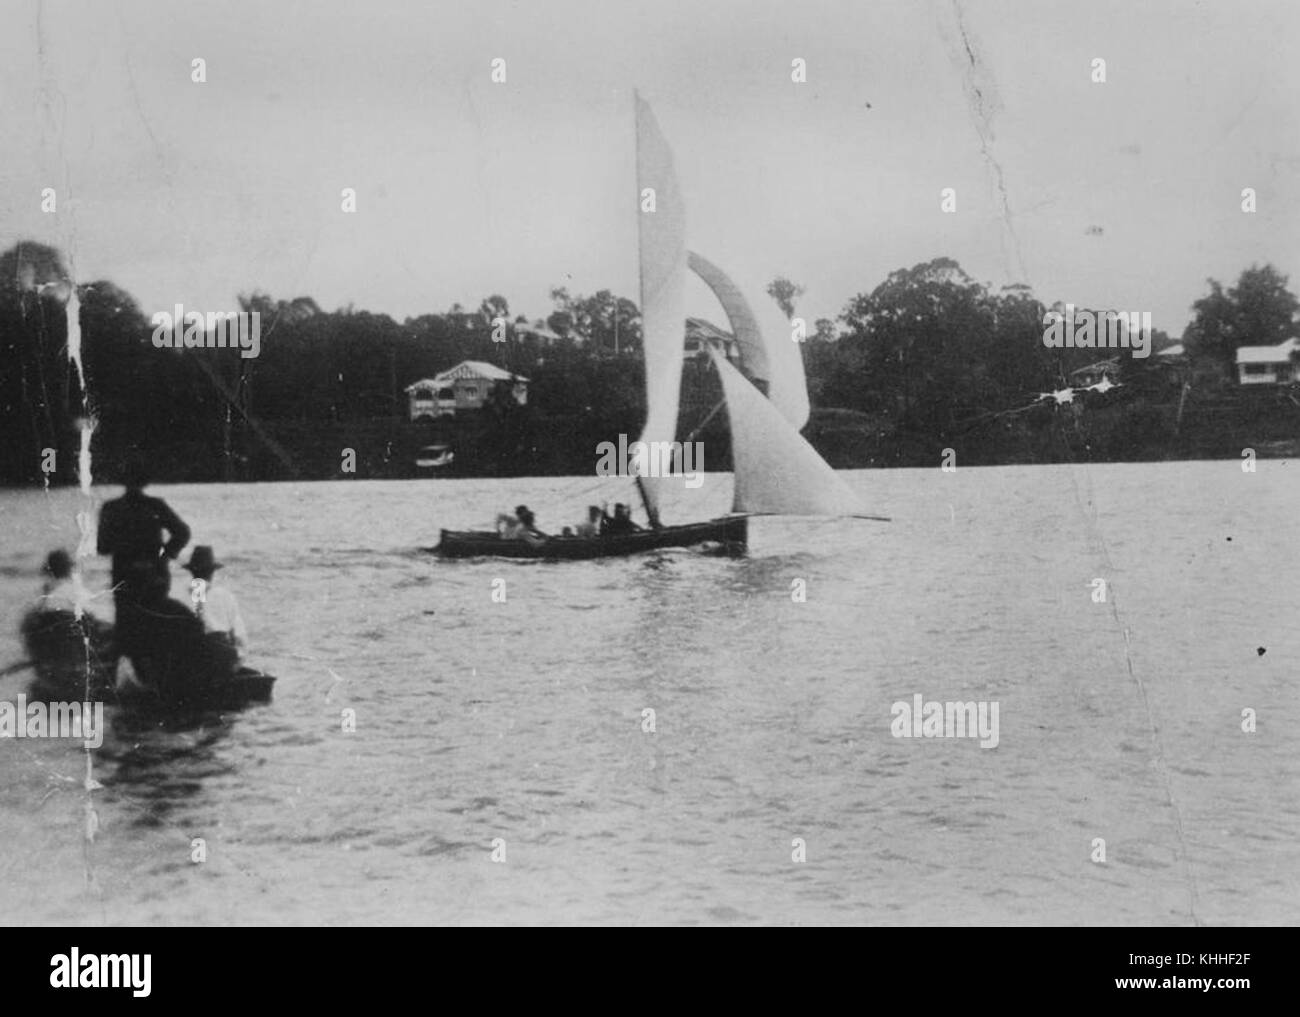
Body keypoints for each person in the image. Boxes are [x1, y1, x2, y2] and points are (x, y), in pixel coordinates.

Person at [96, 457, 191, 673]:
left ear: (124, 482)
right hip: (155, 576)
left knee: (128, 627)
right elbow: (182, 533)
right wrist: (165, 556)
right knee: (155, 621)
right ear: (144, 482)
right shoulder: (156, 505)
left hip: (125, 577)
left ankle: (130, 672)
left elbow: (102, 547)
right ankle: (157, 670)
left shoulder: (111, 508)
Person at [183, 546, 248, 673]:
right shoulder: (225, 596)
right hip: (222, 659)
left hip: (191, 661)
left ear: (191, 572)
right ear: (212, 573)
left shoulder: (179, 595)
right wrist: (237, 664)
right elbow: (240, 638)